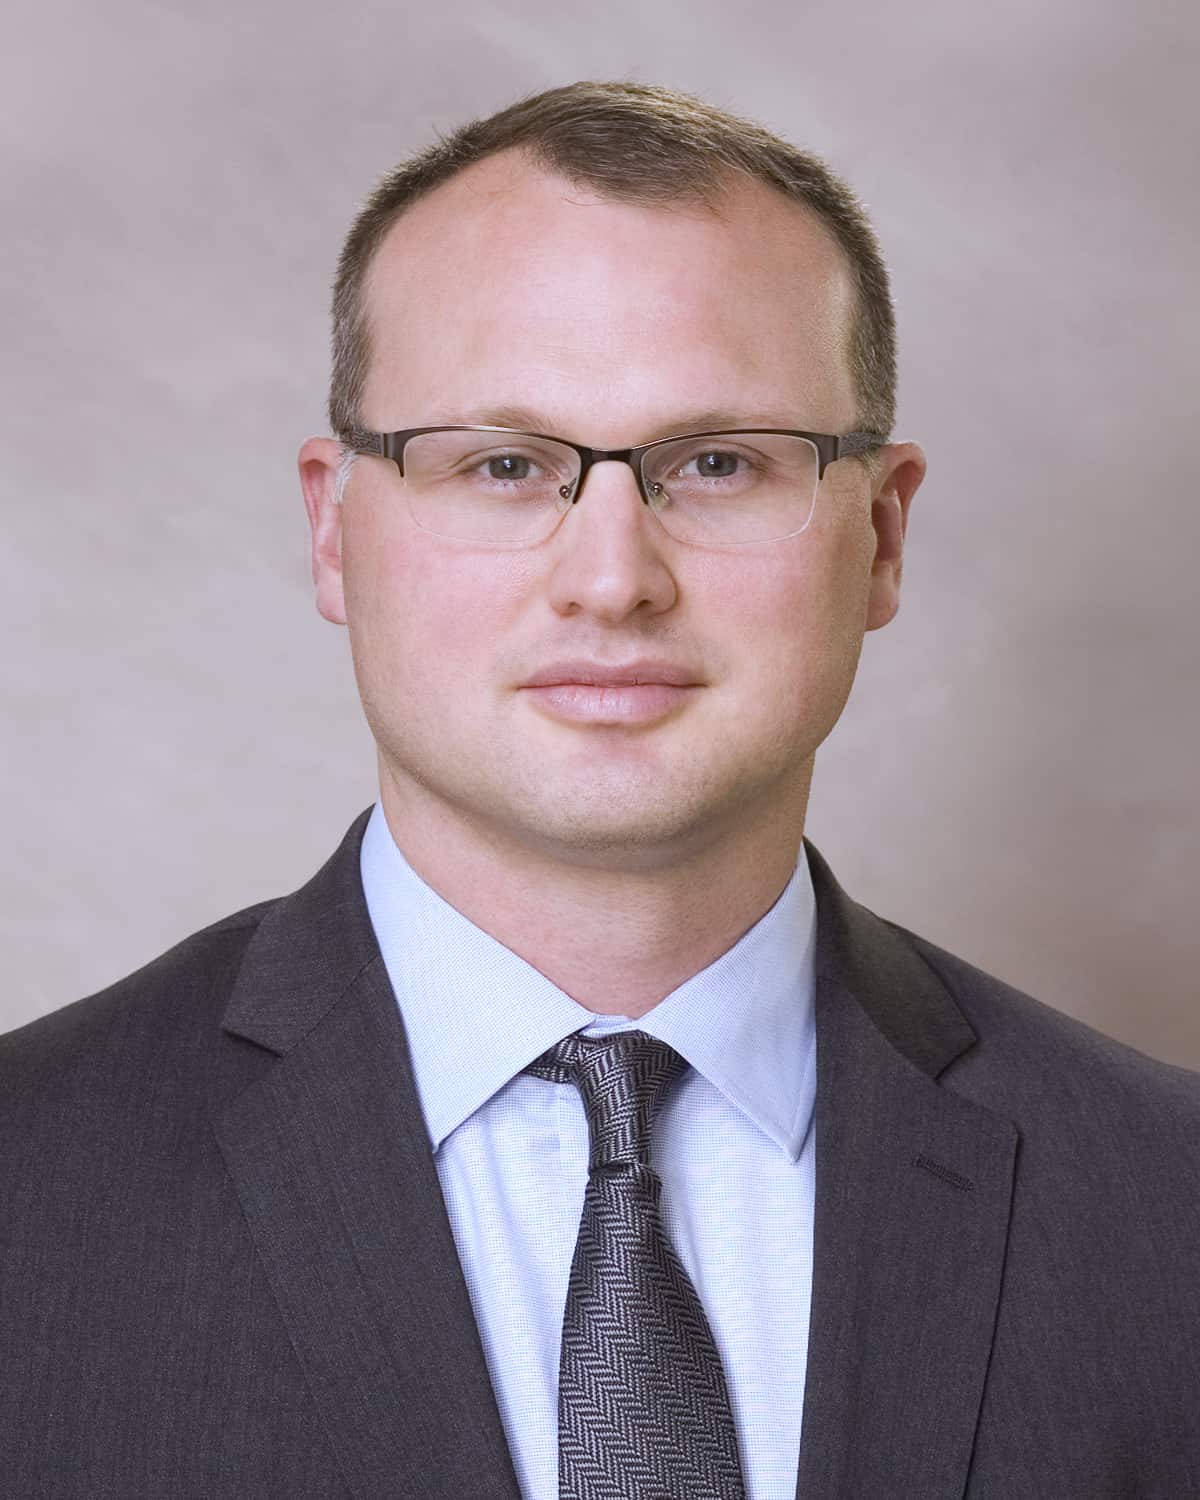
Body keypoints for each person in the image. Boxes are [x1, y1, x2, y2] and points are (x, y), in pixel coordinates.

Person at [1, 81, 1197, 1500]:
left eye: (719, 463)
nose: (614, 580)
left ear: (880, 536)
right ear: (335, 531)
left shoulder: (1165, 1208)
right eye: (505, 464)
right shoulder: (28, 1186)